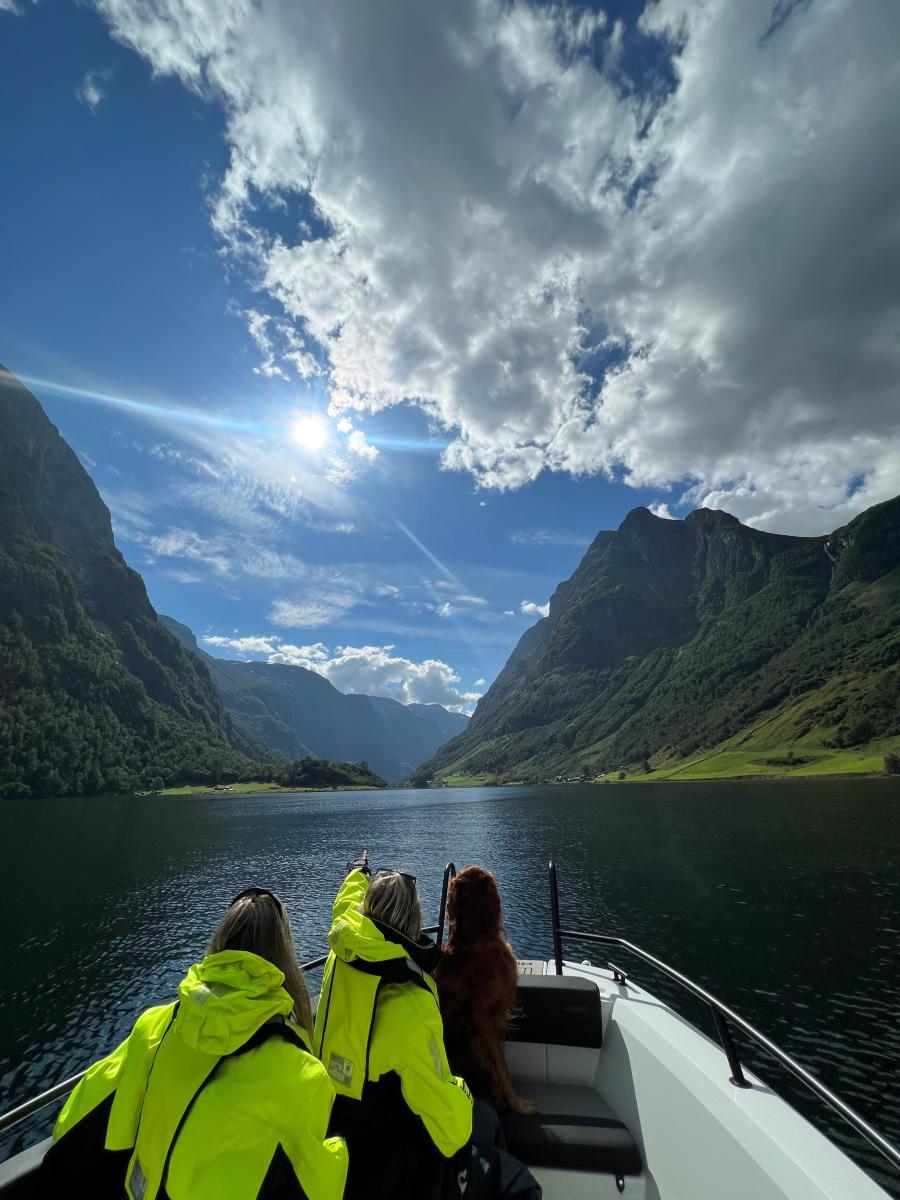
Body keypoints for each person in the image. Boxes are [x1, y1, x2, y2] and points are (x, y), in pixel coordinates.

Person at [44, 887, 348, 1199]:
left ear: (219, 942)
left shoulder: (156, 1024)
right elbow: (321, 1186)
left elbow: (87, 1103)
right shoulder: (302, 1076)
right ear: (285, 954)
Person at [314, 851, 473, 1199]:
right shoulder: (409, 1004)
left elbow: (346, 904)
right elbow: (451, 1131)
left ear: (366, 912)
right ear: (414, 921)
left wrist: (358, 871)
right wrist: (465, 1093)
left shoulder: (343, 946)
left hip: (328, 1118)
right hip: (379, 1152)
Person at [435, 866, 535, 1114]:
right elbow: (484, 1027)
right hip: (454, 1063)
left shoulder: (470, 954)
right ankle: (505, 1094)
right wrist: (511, 1095)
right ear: (491, 903)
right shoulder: (483, 958)